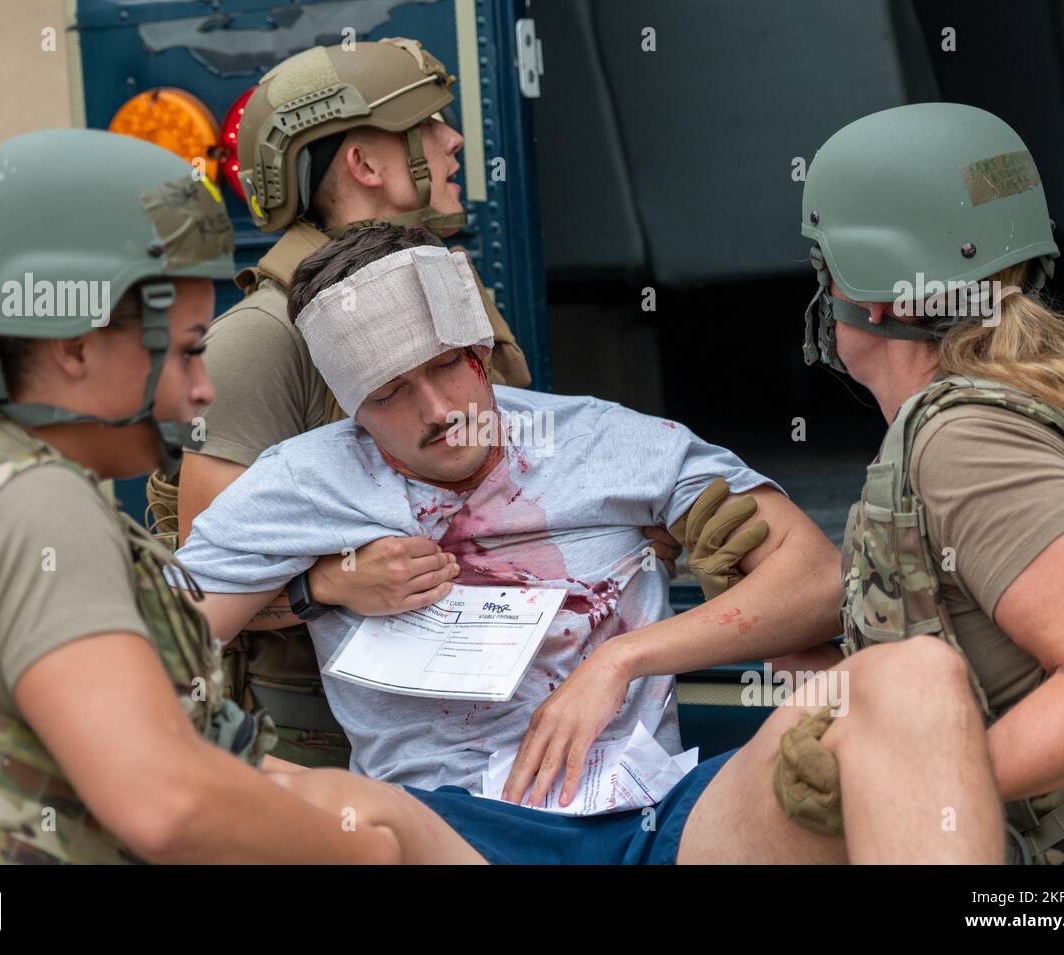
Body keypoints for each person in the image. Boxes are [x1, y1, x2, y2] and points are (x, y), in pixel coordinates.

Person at [170, 223, 1006, 863]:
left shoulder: (608, 441)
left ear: (479, 351)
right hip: (456, 830)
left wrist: (623, 659)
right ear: (351, 405)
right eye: (391, 393)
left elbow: (818, 578)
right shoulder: (303, 482)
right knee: (315, 809)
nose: (435, 409)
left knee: (911, 676)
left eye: (450, 367)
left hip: (661, 816)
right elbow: (161, 644)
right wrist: (320, 585)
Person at [0, 129, 472, 864]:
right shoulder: (41, 508)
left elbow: (207, 760)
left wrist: (379, 814)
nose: (204, 388)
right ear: (75, 347)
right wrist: (369, 853)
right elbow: (165, 802)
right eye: (184, 351)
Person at [144, 37, 556, 769]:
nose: (455, 139)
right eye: (429, 125)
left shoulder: (447, 291)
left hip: (487, 708)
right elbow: (199, 587)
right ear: (365, 165)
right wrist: (325, 583)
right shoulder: (263, 339)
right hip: (326, 742)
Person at [800, 101, 1064, 864]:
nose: (822, 295)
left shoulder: (966, 440)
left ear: (877, 292)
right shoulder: (990, 405)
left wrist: (921, 788)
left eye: (827, 269)